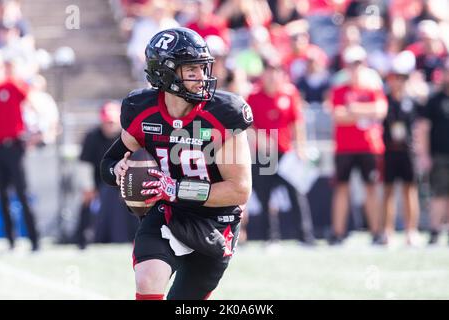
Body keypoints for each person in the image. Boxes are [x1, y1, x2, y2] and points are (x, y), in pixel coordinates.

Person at [100, 27, 253, 300]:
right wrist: (119, 170)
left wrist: (175, 188)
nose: (202, 77)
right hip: (167, 212)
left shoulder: (223, 114)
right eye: (191, 70)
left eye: (203, 68)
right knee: (148, 278)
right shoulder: (142, 110)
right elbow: (109, 163)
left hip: (215, 220)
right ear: (165, 73)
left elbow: (238, 190)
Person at [247, 58, 315, 245]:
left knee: (296, 193)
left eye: (276, 71)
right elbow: (247, 125)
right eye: (269, 71)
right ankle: (270, 237)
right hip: (264, 154)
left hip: (286, 152)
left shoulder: (290, 93)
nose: (272, 75)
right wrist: (260, 138)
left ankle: (305, 236)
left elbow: (297, 122)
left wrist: (301, 147)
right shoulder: (253, 96)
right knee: (264, 195)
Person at [328, 45, 387, 245]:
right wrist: (364, 112)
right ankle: (337, 233)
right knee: (342, 189)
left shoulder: (372, 88)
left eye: (359, 63)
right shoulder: (339, 90)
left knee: (371, 188)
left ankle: (376, 232)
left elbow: (381, 110)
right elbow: (338, 116)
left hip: (369, 146)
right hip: (345, 147)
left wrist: (354, 110)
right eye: (352, 64)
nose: (355, 67)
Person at [75, 101, 138, 249]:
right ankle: (82, 239)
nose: (109, 125)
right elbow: (84, 164)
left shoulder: (127, 136)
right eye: (106, 122)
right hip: (98, 179)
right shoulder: (92, 137)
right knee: (86, 201)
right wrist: (88, 188)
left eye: (112, 122)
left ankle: (135, 237)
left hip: (123, 177)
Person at [0, 53, 39, 251]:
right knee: (3, 196)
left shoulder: (15, 85)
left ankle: (34, 240)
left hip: (14, 146)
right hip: (0, 147)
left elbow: (30, 98)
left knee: (23, 193)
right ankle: (11, 240)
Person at [381, 51, 421, 246]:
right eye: (395, 77)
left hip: (407, 150)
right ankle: (387, 231)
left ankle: (410, 231)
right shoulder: (384, 100)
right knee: (388, 191)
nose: (398, 81)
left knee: (409, 191)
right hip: (389, 150)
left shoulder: (411, 100)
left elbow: (419, 126)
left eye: (402, 78)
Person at [415, 58, 449, 245]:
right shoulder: (434, 100)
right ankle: (435, 231)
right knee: (438, 194)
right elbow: (423, 129)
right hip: (440, 155)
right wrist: (424, 154)